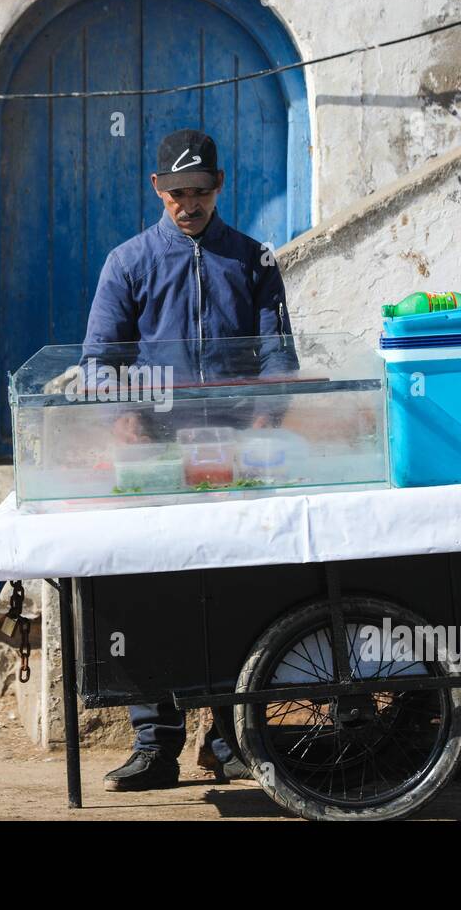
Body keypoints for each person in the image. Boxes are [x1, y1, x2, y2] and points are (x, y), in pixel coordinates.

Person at [81, 128, 298, 792]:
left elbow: (279, 358)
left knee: (237, 594)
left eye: (200, 192)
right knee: (154, 597)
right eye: (177, 194)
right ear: (157, 191)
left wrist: (265, 421)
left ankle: (229, 736)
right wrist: (124, 420)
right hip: (156, 462)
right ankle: (156, 743)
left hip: (235, 459)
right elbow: (98, 364)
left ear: (220, 186)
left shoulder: (254, 260)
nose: (188, 205)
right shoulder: (127, 263)